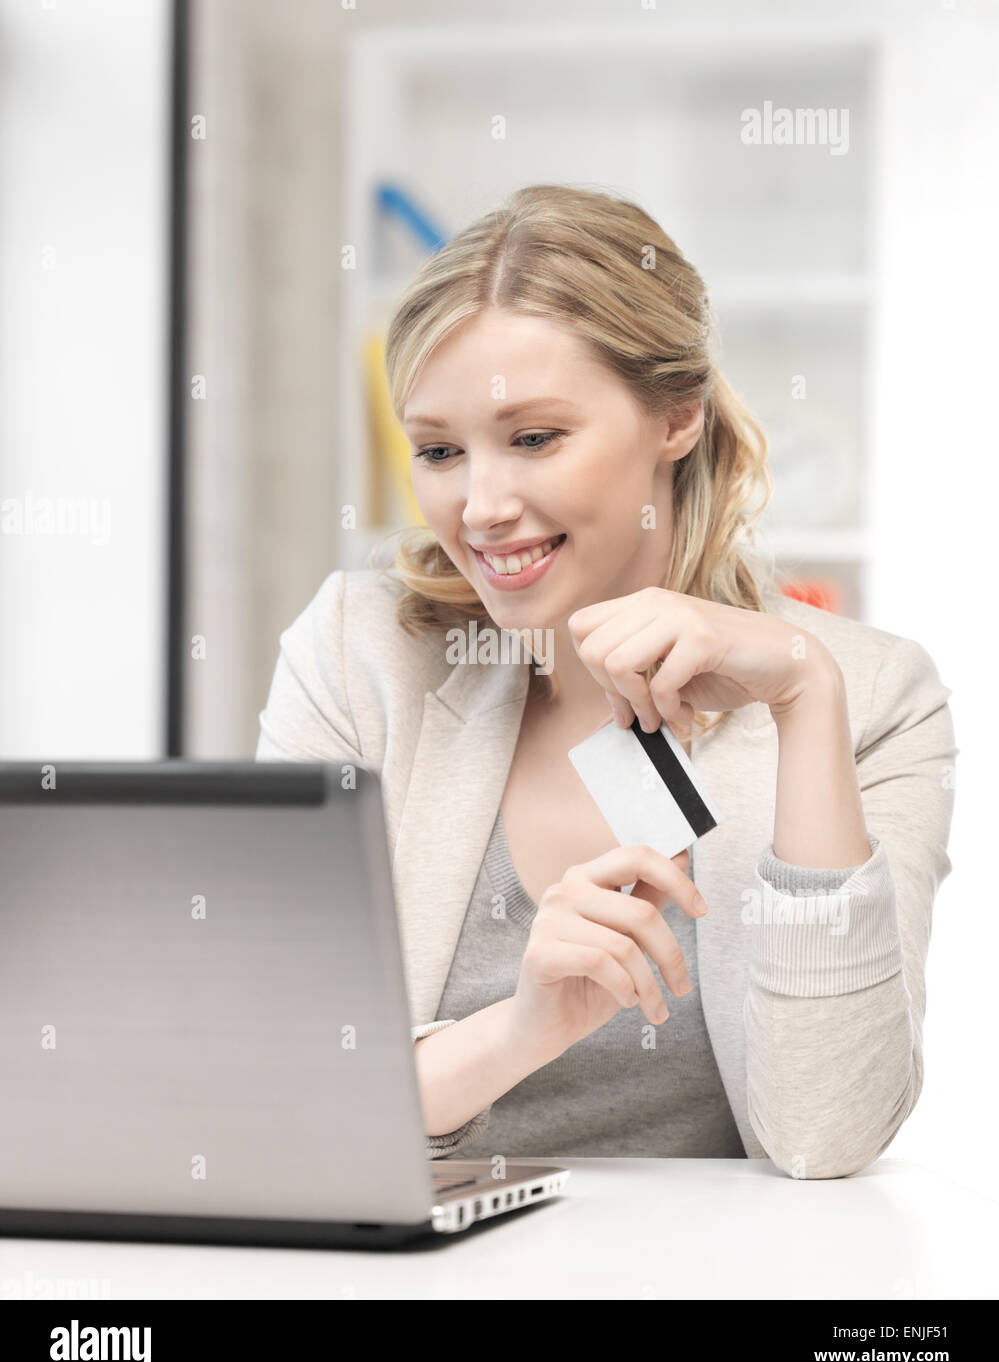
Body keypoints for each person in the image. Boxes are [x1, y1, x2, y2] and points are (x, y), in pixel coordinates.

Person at [257, 184, 956, 1179]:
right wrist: (520, 1031)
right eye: (440, 451)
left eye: (535, 438)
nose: (483, 506)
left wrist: (805, 696)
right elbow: (279, 1093)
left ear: (678, 416)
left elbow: (825, 1132)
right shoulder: (358, 655)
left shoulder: (877, 697)